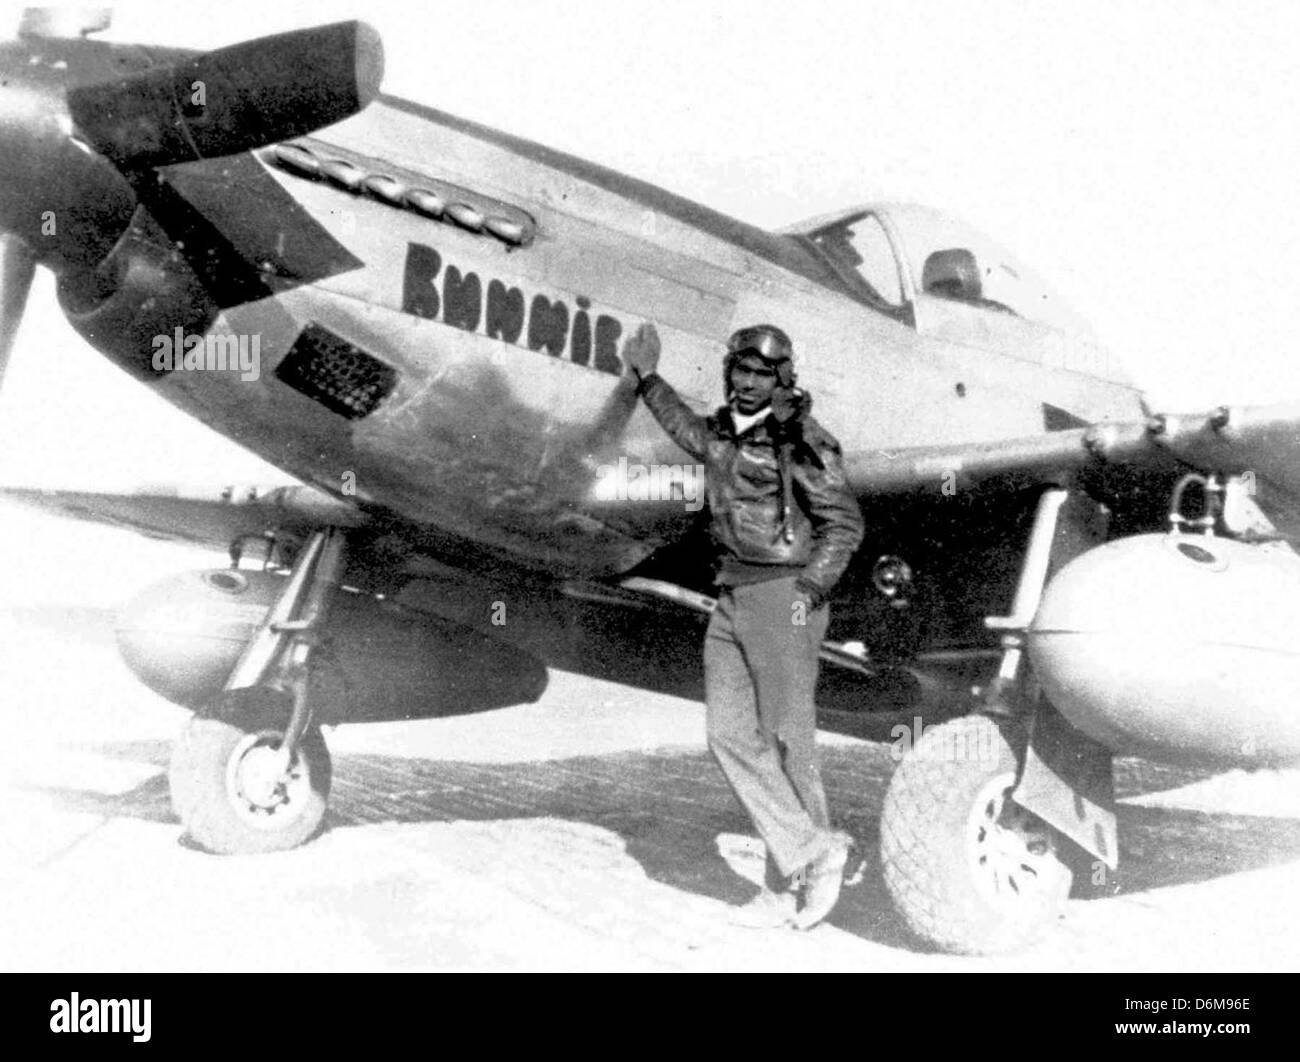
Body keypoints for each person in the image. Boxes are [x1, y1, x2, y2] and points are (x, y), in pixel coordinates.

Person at [621, 321, 864, 929]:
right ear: (729, 372)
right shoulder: (724, 434)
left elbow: (844, 523)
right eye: (741, 371)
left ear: (781, 380)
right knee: (728, 736)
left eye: (763, 374)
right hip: (730, 594)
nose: (749, 383)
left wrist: (808, 591)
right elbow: (685, 429)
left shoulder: (803, 441)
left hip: (782, 593)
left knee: (786, 741)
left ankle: (785, 889)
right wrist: (648, 378)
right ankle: (813, 852)